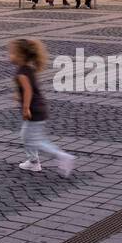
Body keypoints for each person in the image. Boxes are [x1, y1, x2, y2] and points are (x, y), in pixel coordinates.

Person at [10, 39, 76, 176]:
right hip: (39, 108)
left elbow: (28, 91)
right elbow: (29, 88)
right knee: (27, 136)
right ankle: (33, 162)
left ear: (21, 56)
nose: (10, 56)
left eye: (12, 53)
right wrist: (19, 96)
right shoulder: (28, 69)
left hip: (34, 111)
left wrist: (26, 108)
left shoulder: (22, 73)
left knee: (35, 140)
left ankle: (62, 156)